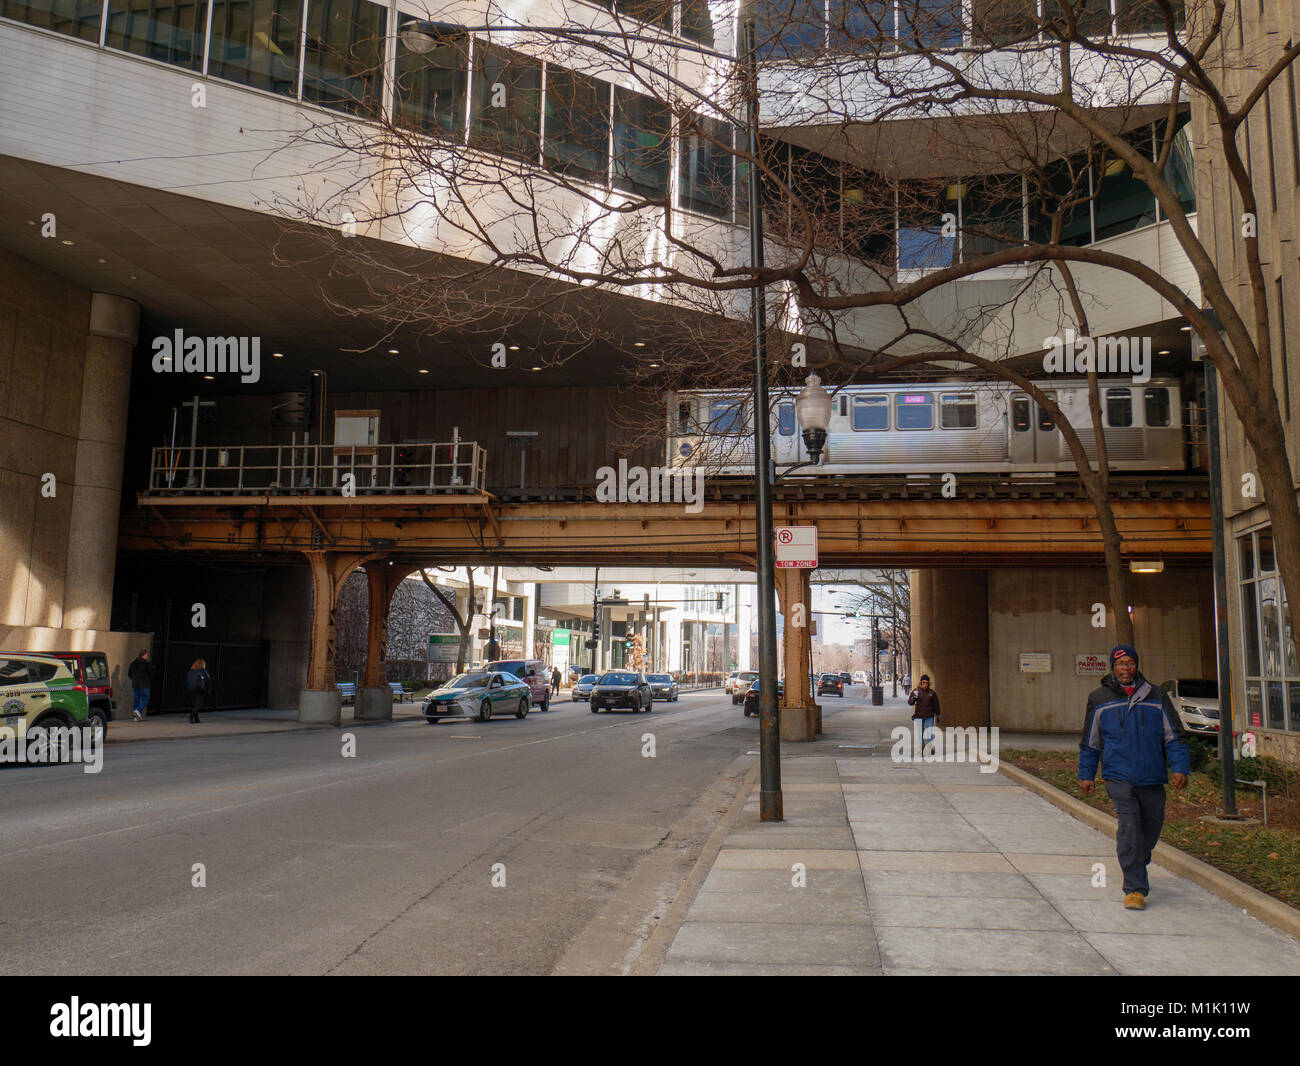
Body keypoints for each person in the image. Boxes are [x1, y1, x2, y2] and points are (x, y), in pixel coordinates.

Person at [1078, 644, 1189, 911]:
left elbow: (1174, 736)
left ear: (1136, 666)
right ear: (1112, 668)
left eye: (1130, 663)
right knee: (1129, 828)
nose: (1125, 669)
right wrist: (1086, 774)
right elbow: (1090, 742)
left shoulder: (1157, 696)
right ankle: (1135, 889)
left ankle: (1138, 859)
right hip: (1119, 775)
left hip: (1151, 775)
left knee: (1151, 827)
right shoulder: (1100, 698)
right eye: (1120, 664)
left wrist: (1179, 768)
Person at [907, 674, 940, 753]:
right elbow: (910, 702)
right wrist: (913, 699)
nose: (925, 684)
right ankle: (922, 746)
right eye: (923, 682)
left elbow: (936, 705)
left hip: (929, 716)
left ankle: (931, 746)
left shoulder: (932, 693)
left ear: (929, 684)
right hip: (919, 715)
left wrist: (938, 715)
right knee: (920, 733)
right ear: (921, 683)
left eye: (927, 683)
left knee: (929, 733)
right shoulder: (916, 691)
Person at [127, 648, 153, 722]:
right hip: (144, 684)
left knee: (136, 700)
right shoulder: (147, 664)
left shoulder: (133, 663)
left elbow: (129, 674)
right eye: (147, 654)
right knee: (145, 699)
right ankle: (138, 711)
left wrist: (134, 679)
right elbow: (151, 674)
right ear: (144, 655)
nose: (147, 656)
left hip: (135, 684)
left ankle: (136, 717)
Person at [186, 657, 212, 724]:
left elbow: (188, 680)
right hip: (199, 689)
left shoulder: (191, 671)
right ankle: (191, 716)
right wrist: (209, 688)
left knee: (194, 704)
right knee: (198, 705)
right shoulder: (203, 671)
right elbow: (207, 680)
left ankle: (196, 719)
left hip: (191, 689)